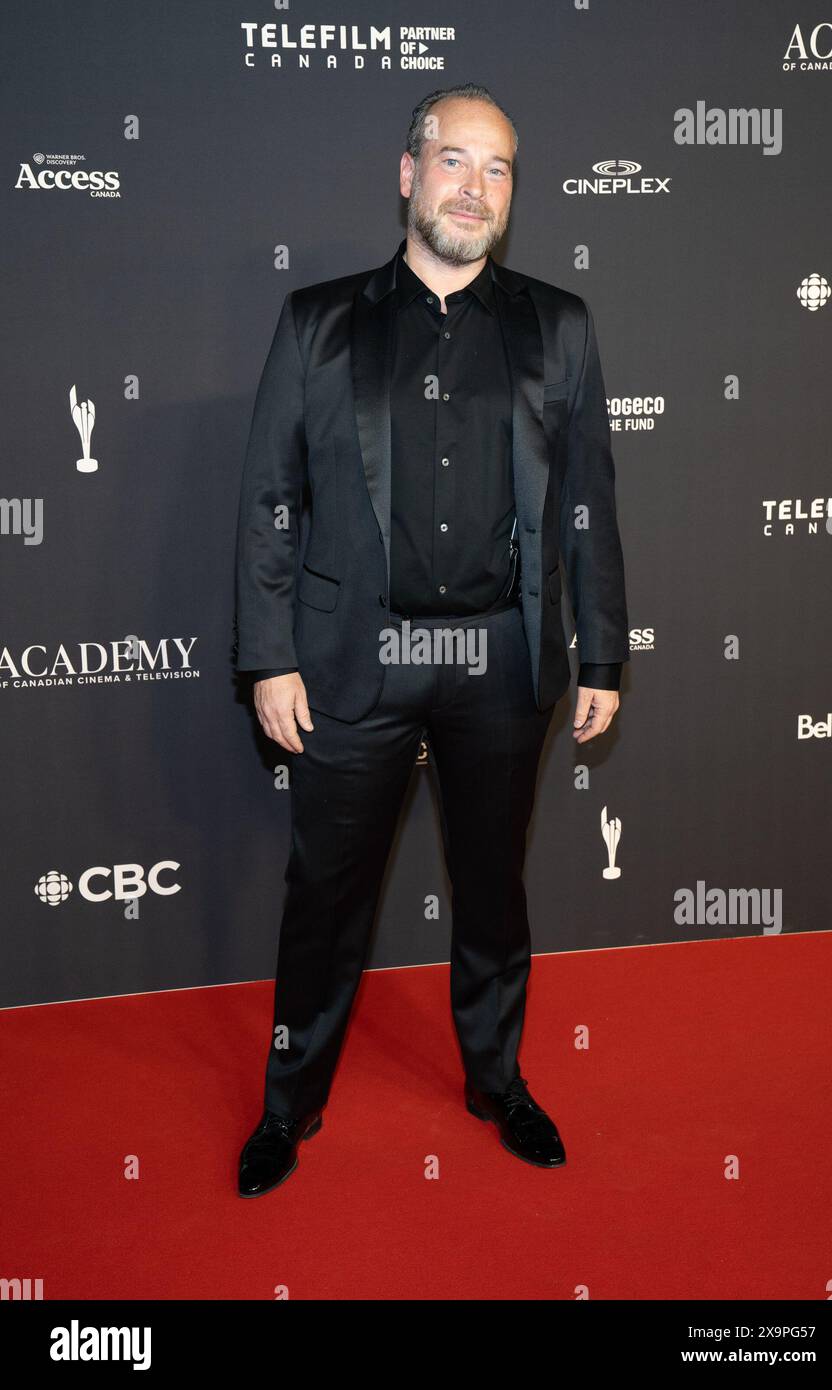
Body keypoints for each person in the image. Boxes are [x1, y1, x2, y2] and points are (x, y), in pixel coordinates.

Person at [233, 82, 629, 1198]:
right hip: (352, 660)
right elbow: (270, 497)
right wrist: (267, 655)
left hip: (500, 666)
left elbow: (586, 499)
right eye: (453, 161)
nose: (474, 186)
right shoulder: (319, 323)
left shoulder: (559, 327)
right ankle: (287, 1105)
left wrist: (599, 652)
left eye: (497, 169)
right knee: (326, 900)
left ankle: (497, 1082)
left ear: (512, 194)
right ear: (408, 175)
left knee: (494, 891)